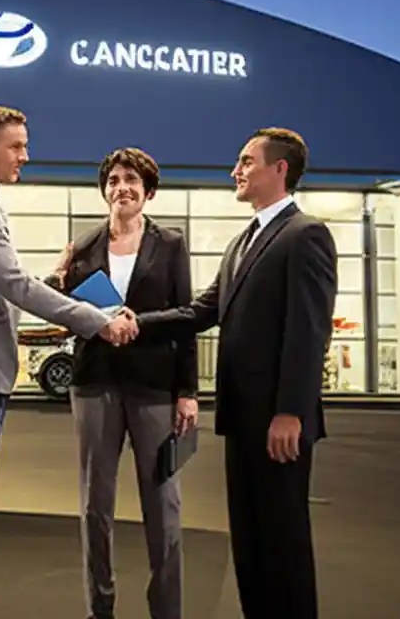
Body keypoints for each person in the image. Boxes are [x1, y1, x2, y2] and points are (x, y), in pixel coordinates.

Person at [0, 104, 139, 619]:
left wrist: (65, 291)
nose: (25, 156)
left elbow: (4, 284)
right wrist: (97, 321)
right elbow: (13, 285)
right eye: (16, 146)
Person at [136, 128, 337, 619]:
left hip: (278, 423)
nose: (236, 171)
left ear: (280, 169)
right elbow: (200, 311)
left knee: (283, 542)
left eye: (247, 161)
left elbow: (308, 333)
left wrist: (290, 411)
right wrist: (127, 322)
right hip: (243, 420)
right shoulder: (243, 241)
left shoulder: (305, 234)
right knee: (249, 542)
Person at [45, 147, 197, 619]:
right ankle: (100, 608)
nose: (121, 187)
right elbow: (62, 310)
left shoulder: (171, 245)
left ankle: (167, 610)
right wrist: (56, 276)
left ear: (147, 191)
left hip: (155, 386)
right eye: (113, 180)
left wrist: (188, 392)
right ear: (105, 189)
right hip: (95, 384)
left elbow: (186, 319)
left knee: (163, 506)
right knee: (95, 506)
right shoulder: (84, 245)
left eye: (131, 180)